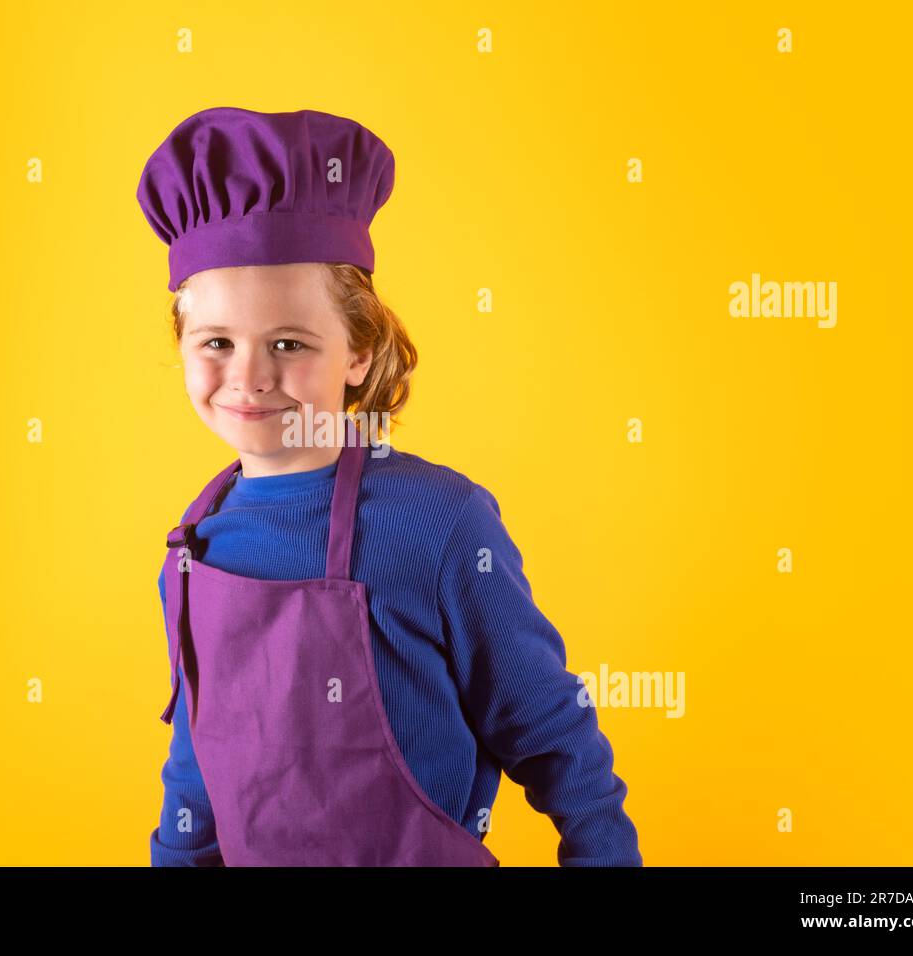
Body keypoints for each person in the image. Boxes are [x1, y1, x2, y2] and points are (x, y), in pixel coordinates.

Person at [136, 106, 642, 866]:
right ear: (182, 346)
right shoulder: (192, 548)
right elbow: (196, 772)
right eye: (216, 342)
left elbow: (547, 724)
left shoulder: (439, 523)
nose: (248, 376)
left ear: (360, 353)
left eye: (288, 343)